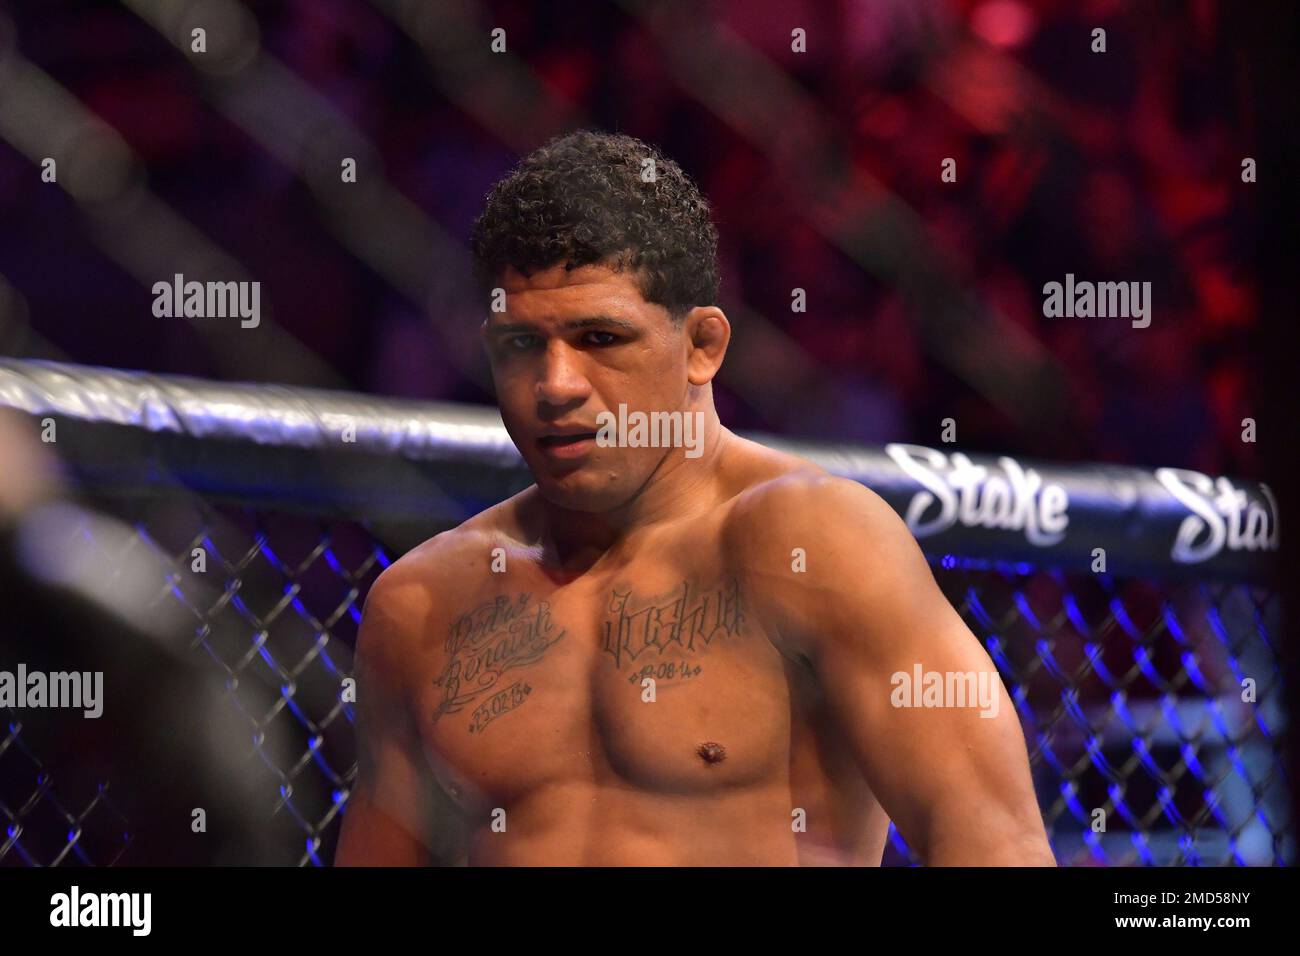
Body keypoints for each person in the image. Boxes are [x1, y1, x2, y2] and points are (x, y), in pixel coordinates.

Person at [334, 130, 1055, 866]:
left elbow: (994, 840)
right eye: (521, 346)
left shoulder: (814, 542)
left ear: (703, 346)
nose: (556, 386)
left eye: (601, 337)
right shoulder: (423, 605)